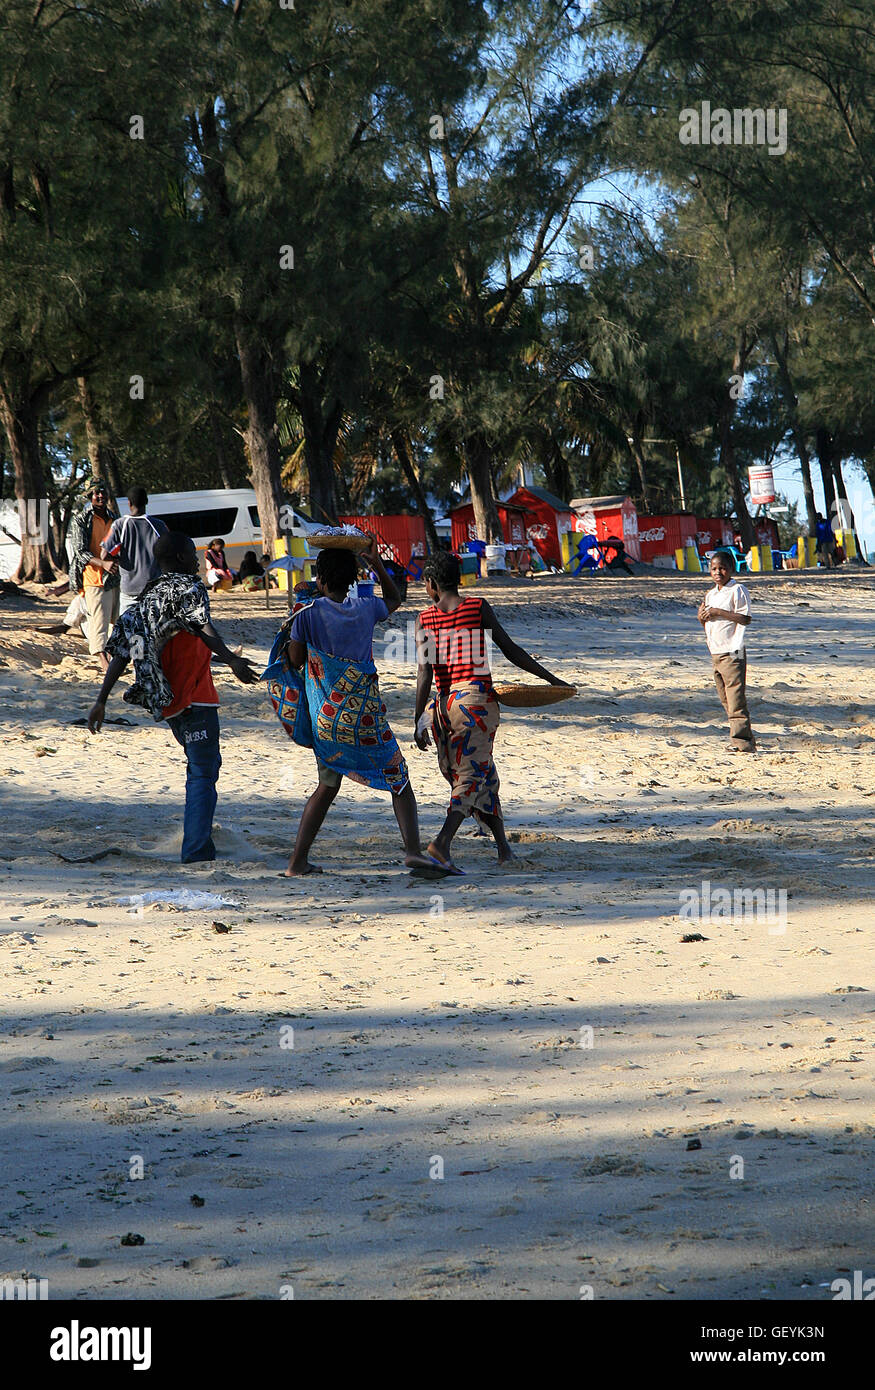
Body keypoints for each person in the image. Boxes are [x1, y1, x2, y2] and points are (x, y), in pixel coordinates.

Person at [263, 538, 441, 878]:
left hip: (327, 720)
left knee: (327, 787)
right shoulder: (364, 607)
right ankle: (413, 851)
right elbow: (395, 599)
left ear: (321, 580)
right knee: (398, 779)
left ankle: (297, 861)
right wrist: (376, 564)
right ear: (350, 580)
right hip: (364, 716)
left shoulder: (307, 615)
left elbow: (296, 660)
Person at [86, 532, 258, 862]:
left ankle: (199, 841)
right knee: (203, 772)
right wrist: (231, 659)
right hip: (194, 697)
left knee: (205, 765)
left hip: (167, 703)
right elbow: (203, 627)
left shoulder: (143, 601)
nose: (197, 560)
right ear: (180, 559)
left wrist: (101, 700)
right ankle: (196, 850)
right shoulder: (188, 587)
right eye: (192, 554)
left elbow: (121, 654)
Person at [414, 550, 564, 870]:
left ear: (431, 584)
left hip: (442, 707)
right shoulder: (477, 607)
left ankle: (504, 850)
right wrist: (550, 680)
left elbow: (424, 673)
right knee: (472, 776)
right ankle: (441, 844)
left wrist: (418, 718)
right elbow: (510, 650)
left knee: (486, 777)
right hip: (476, 705)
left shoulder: (424, 618)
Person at [698, 548, 755, 753]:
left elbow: (745, 618)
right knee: (725, 698)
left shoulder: (737, 590)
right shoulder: (711, 594)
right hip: (715, 651)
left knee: (735, 698)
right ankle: (743, 736)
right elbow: (708, 621)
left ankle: (742, 742)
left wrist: (718, 612)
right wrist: (702, 617)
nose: (718, 572)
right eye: (714, 568)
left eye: (722, 568)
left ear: (731, 569)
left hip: (733, 650)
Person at [68, 478, 120, 673]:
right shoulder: (81, 520)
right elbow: (80, 552)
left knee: (118, 619)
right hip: (94, 577)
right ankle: (103, 660)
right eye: (96, 493)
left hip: (115, 577)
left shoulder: (114, 517)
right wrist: (103, 563)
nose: (100, 496)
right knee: (99, 620)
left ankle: (115, 658)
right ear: (89, 496)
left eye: (103, 492)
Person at [101, 486, 167, 614]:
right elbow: (169, 553)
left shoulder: (120, 525)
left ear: (129, 503)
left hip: (130, 590)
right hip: (155, 589)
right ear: (146, 501)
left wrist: (118, 559)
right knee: (153, 631)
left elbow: (104, 554)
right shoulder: (159, 525)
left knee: (128, 630)